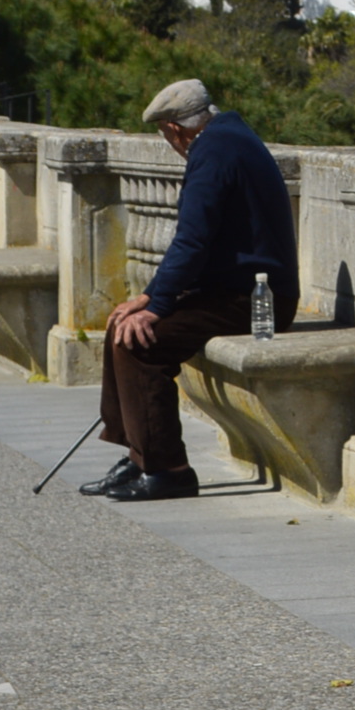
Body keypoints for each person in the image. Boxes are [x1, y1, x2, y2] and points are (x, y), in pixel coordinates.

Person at [83, 78, 301, 503]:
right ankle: (140, 453)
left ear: (174, 130)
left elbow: (192, 239)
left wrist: (158, 304)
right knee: (123, 324)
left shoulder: (213, 152)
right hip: (231, 288)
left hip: (255, 299)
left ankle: (168, 470)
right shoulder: (226, 136)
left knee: (139, 344)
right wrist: (149, 298)